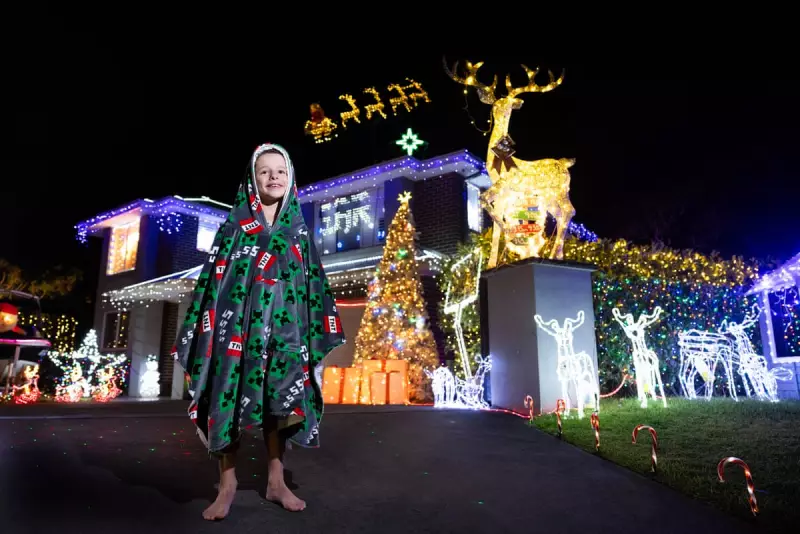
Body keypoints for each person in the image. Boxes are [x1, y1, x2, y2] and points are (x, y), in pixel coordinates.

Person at [172, 144, 345, 520]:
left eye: (280, 171)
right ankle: (227, 483)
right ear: (253, 178)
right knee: (227, 399)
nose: (273, 178)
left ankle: (276, 480)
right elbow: (213, 283)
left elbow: (311, 285)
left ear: (291, 177)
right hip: (234, 333)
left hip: (285, 336)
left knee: (280, 402)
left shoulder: (298, 232)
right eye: (265, 171)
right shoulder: (234, 227)